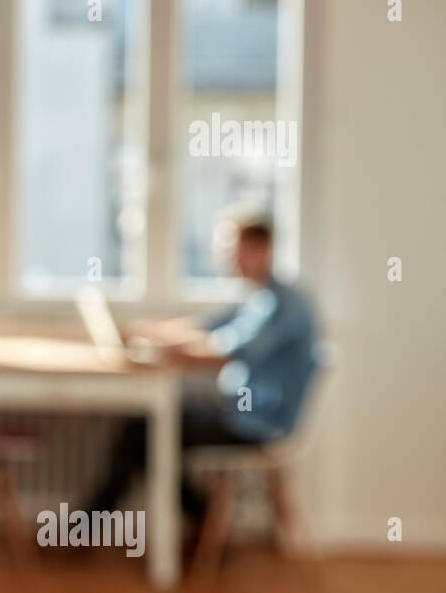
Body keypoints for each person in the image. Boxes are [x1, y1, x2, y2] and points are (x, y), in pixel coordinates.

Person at [85, 210, 318, 519]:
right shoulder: (255, 298)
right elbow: (205, 327)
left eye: (231, 249)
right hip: (237, 411)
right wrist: (143, 332)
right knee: (147, 430)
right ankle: (200, 518)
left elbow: (224, 352)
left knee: (143, 432)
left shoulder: (281, 304)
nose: (225, 258)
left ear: (262, 248)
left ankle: (87, 526)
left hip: (257, 422)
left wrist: (161, 350)